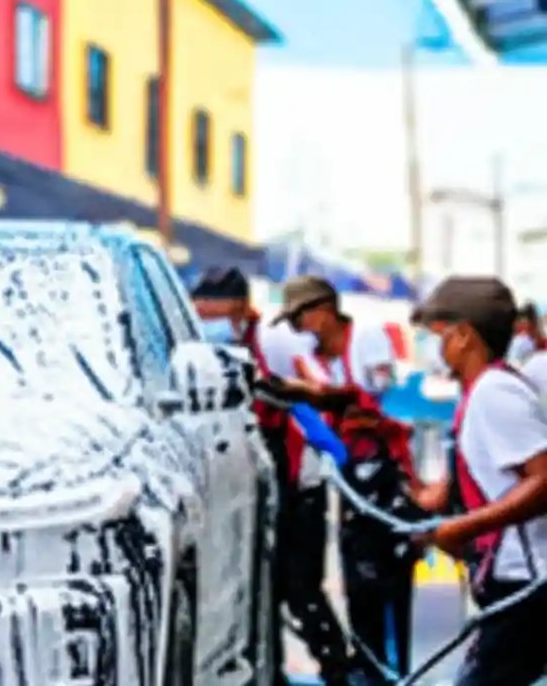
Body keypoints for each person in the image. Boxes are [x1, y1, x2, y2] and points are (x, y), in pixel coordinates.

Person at [191, 268, 362, 686]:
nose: (211, 325)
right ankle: (274, 673)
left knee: (300, 587)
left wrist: (285, 391)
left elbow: (324, 391)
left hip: (298, 484)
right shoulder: (209, 348)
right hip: (253, 488)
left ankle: (341, 672)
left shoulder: (273, 339)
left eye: (218, 315)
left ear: (241, 309)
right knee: (261, 587)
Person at [274, 275, 434, 682]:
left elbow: (380, 405)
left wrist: (327, 399)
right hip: (352, 484)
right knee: (357, 583)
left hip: (385, 479)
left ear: (325, 311)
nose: (297, 331)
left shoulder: (367, 339)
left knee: (390, 586)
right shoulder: (316, 360)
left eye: (300, 319)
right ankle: (367, 663)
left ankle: (392, 671)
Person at [411, 277, 547, 686]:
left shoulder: (494, 394)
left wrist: (464, 527)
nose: (435, 348)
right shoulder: (480, 393)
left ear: (465, 335)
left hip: (527, 582)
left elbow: (543, 480)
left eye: (438, 336)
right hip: (511, 579)